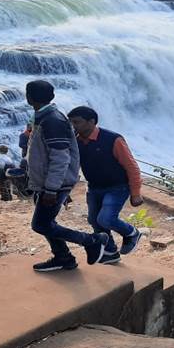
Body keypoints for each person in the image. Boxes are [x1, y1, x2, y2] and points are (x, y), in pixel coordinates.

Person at [24, 80, 107, 272]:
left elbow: (60, 158)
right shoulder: (45, 117)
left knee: (40, 224)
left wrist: (52, 189)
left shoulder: (52, 120)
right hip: (48, 182)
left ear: (29, 98)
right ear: (51, 97)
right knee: (47, 223)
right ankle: (63, 257)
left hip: (54, 184)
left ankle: (92, 241)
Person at [67, 106, 144, 264]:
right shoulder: (75, 141)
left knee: (106, 219)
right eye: (71, 122)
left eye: (77, 122)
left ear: (91, 122)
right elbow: (71, 165)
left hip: (118, 187)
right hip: (94, 187)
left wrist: (135, 193)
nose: (73, 126)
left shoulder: (113, 139)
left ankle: (132, 233)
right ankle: (110, 252)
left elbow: (132, 167)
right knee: (94, 220)